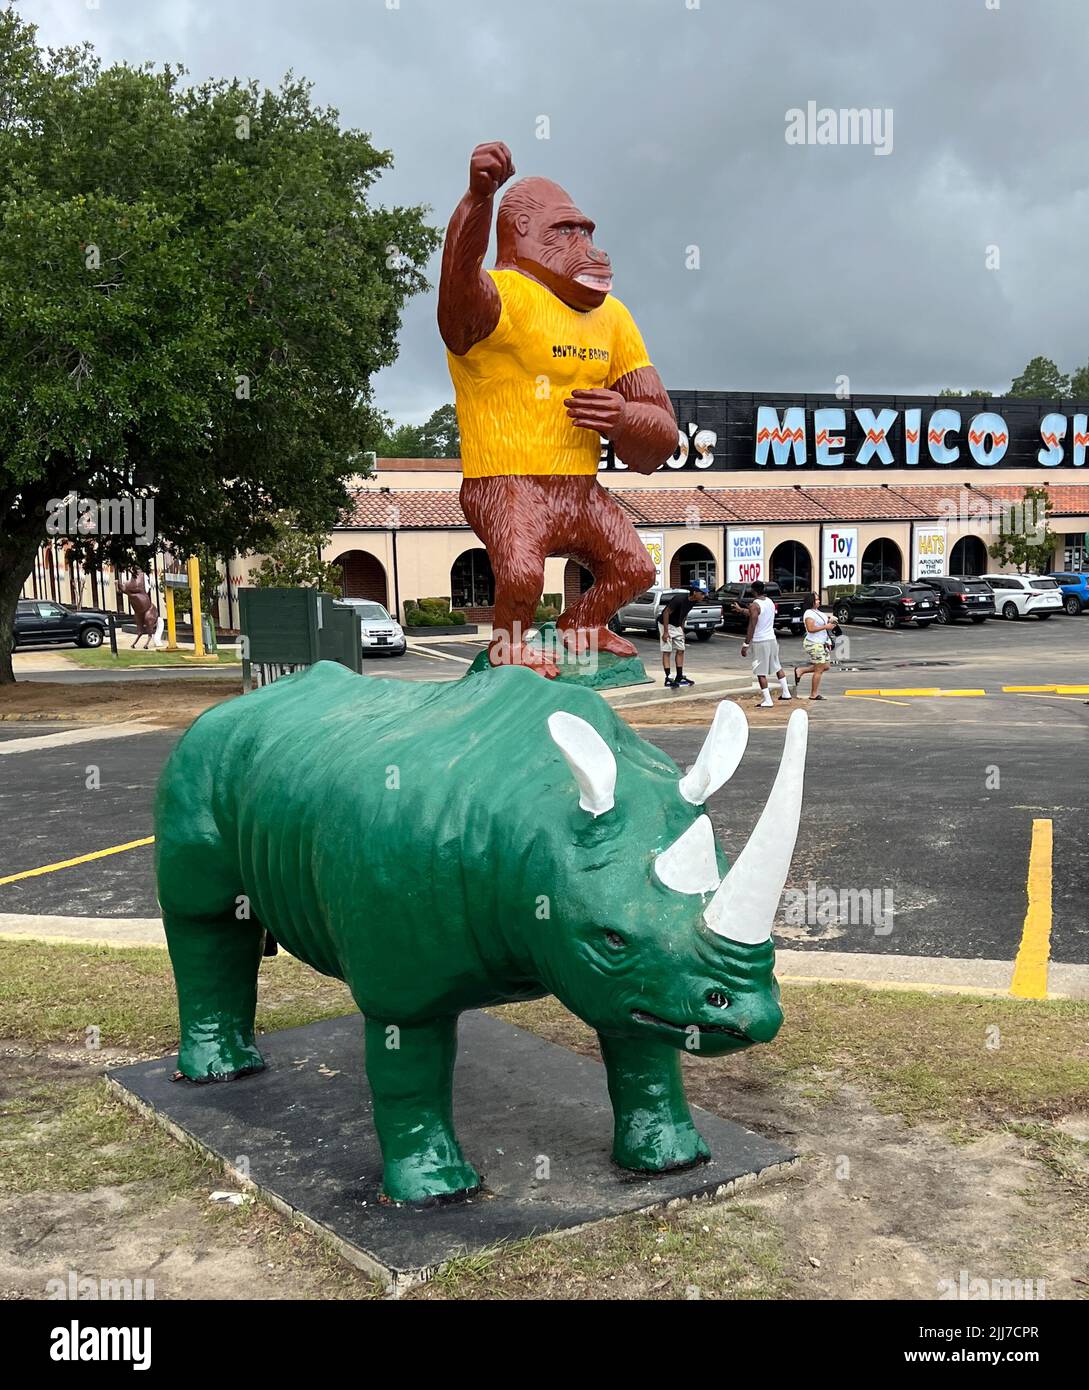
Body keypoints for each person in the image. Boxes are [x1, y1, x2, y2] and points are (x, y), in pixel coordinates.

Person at [740, 580, 792, 707]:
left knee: (760, 671)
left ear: (753, 591)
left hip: (760, 641)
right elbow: (756, 614)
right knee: (777, 665)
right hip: (771, 639)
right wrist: (741, 610)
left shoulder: (754, 605)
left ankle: (768, 700)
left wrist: (746, 644)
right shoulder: (769, 602)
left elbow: (752, 624)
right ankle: (786, 692)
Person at [659, 582, 705, 688]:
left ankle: (679, 676)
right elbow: (666, 613)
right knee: (667, 650)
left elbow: (684, 614)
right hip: (665, 623)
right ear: (695, 592)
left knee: (681, 649)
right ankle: (668, 677)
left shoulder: (693, 601)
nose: (704, 596)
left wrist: (682, 630)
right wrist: (665, 632)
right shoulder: (679, 599)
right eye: (702, 593)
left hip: (677, 625)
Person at [794, 592, 836, 700]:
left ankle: (801, 671)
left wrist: (830, 621)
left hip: (822, 643)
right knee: (819, 669)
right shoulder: (809, 613)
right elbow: (811, 629)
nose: (819, 601)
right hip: (814, 643)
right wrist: (825, 626)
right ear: (811, 601)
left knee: (826, 666)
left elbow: (824, 622)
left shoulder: (817, 612)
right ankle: (814, 694)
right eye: (817, 599)